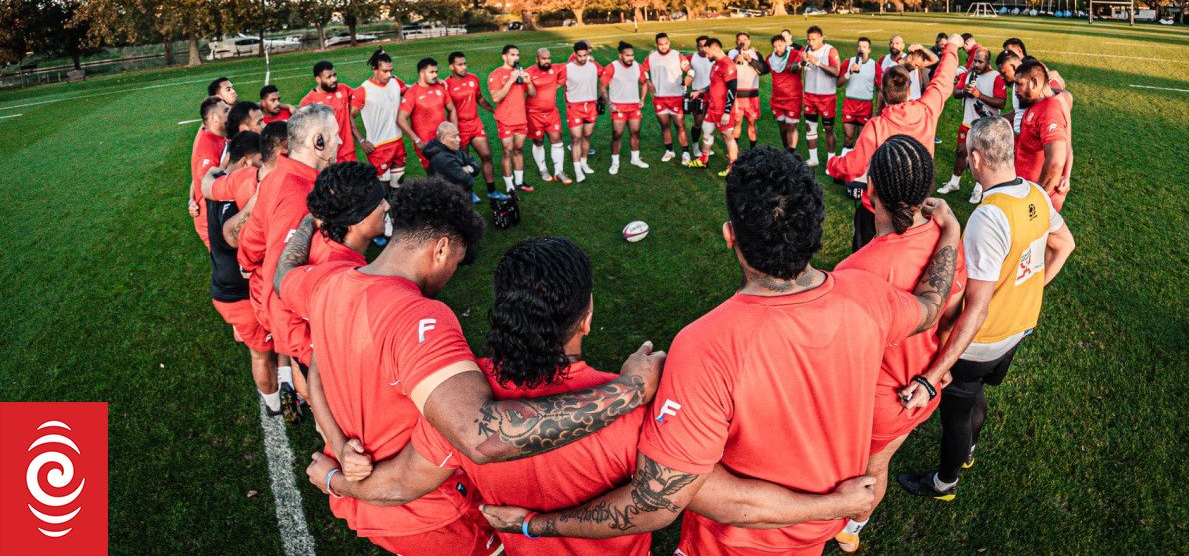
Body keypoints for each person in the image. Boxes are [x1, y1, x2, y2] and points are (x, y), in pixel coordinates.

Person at [479, 146, 963, 556]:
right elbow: (929, 305)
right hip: (812, 540)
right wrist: (952, 235)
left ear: (731, 235)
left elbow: (657, 499)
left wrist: (535, 525)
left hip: (730, 547)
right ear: (814, 228)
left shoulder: (704, 347)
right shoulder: (868, 295)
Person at [306, 235, 878, 556]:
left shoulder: (456, 409)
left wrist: (334, 478)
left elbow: (399, 484)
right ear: (586, 318)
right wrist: (832, 506)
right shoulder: (633, 413)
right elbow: (695, 501)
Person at [272, 178, 665, 556]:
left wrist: (337, 457)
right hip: (434, 515)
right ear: (442, 248)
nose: (450, 275)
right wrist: (630, 391)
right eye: (457, 263)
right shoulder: (421, 320)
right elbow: (479, 436)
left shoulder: (325, 285)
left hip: (375, 499)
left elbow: (285, 283)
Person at [898, 116, 1075, 502]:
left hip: (981, 341)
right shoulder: (1035, 193)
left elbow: (974, 308)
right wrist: (1031, 287)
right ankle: (969, 451)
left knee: (956, 412)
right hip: (1019, 329)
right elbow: (1065, 245)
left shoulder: (988, 216)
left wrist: (933, 374)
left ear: (976, 158)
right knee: (974, 393)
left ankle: (944, 483)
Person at [830, 136, 968, 552]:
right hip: (922, 389)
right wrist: (936, 373)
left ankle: (847, 527)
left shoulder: (853, 274)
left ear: (870, 189)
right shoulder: (947, 242)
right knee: (880, 463)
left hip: (877, 405)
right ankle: (853, 530)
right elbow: (951, 317)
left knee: (858, 471)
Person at [237, 104, 342, 422]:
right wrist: (308, 350)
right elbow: (280, 285)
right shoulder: (300, 196)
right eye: (335, 136)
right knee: (326, 399)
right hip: (304, 321)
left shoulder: (276, 177)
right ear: (318, 142)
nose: (340, 142)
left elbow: (251, 238)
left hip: (297, 311)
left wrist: (245, 264)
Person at [828, 35, 962, 251]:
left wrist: (833, 164)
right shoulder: (926, 110)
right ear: (909, 91)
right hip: (915, 210)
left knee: (865, 260)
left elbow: (852, 166)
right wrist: (952, 46)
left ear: (883, 93)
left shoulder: (876, 126)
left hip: (876, 213)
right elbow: (943, 79)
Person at [203, 131, 281, 414]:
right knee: (262, 354)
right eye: (260, 161)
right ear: (247, 161)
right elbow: (233, 236)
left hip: (227, 288)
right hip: (240, 295)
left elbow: (207, 180)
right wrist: (257, 200)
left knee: (271, 345)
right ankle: (274, 405)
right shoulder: (235, 194)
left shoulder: (218, 180)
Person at [939, 46, 1006, 204]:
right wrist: (965, 92)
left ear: (988, 62)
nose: (976, 64)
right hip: (967, 123)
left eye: (980, 62)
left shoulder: (996, 77)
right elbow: (956, 93)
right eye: (974, 61)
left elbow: (1002, 103)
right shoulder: (970, 74)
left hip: (986, 126)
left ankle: (978, 190)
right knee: (960, 152)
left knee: (982, 158)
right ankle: (954, 183)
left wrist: (979, 95)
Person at [1012, 60, 1073, 211]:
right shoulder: (1046, 99)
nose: (1015, 90)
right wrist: (1066, 175)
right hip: (1027, 191)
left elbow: (1056, 161)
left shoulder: (1049, 112)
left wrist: (1038, 196)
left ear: (1034, 82)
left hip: (1036, 200)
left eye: (1019, 84)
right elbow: (1067, 145)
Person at [305, 161, 390, 268]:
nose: (387, 207)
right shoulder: (343, 271)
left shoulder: (325, 241)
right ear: (357, 217)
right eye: (380, 203)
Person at [444, 51, 504, 199]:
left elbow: (480, 98)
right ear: (451, 66)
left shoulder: (473, 78)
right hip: (459, 128)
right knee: (463, 163)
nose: (464, 67)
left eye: (465, 64)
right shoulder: (446, 84)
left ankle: (492, 191)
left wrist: (493, 110)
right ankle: (468, 192)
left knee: (487, 155)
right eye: (460, 65)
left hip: (475, 124)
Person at [351, 50, 410, 194]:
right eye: (385, 71)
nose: (389, 75)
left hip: (397, 141)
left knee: (398, 185)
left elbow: (412, 92)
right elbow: (350, 116)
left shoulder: (395, 82)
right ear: (374, 69)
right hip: (378, 147)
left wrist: (432, 83)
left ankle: (397, 209)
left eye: (391, 70)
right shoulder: (363, 90)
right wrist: (361, 140)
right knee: (383, 189)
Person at [684, 37, 739, 175]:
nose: (706, 55)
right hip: (713, 108)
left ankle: (733, 167)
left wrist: (727, 112)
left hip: (723, 110)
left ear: (715, 49)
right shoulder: (715, 64)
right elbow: (714, 84)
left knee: (727, 136)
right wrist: (700, 91)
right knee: (707, 130)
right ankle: (704, 160)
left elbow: (732, 89)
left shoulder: (728, 65)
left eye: (707, 52)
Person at [488, 45, 537, 193]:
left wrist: (528, 82)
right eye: (512, 55)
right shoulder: (495, 75)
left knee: (519, 150)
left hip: (521, 119)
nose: (516, 58)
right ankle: (509, 187)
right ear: (504, 57)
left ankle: (519, 182)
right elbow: (496, 98)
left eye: (517, 55)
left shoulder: (521, 73)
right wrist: (510, 80)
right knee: (507, 152)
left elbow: (532, 94)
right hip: (506, 120)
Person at [599, 41, 651, 175]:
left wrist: (642, 99)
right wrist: (609, 104)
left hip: (634, 106)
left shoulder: (638, 67)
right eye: (627, 56)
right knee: (617, 135)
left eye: (632, 55)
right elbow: (602, 88)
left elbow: (644, 83)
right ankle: (615, 162)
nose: (630, 58)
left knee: (636, 132)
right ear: (620, 55)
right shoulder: (611, 67)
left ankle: (635, 159)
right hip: (618, 107)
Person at [399, 57, 457, 171]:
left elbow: (452, 109)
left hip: (444, 140)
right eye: (431, 72)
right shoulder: (412, 93)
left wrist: (454, 132)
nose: (435, 75)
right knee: (435, 175)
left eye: (436, 72)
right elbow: (401, 119)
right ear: (421, 73)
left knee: (451, 172)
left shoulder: (441, 88)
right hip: (426, 144)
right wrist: (417, 141)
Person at [644, 32, 694, 162]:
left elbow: (690, 69)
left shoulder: (677, 56)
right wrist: (648, 81)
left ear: (669, 43)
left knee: (680, 126)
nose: (664, 46)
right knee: (664, 126)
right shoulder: (651, 58)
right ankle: (669, 151)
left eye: (666, 43)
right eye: (661, 44)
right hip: (659, 98)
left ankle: (685, 153)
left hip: (676, 97)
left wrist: (689, 76)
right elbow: (643, 70)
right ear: (656, 45)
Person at [524, 48, 571, 183]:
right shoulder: (528, 72)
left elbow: (570, 65)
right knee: (538, 141)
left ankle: (559, 172)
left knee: (557, 140)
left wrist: (588, 58)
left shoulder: (555, 69)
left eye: (549, 58)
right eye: (544, 59)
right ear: (536, 59)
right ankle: (543, 169)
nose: (547, 61)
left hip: (551, 113)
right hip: (534, 114)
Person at [301, 60, 362, 163]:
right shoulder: (308, 102)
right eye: (329, 77)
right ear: (318, 79)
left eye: (334, 75)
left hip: (348, 152)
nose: (334, 79)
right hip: (327, 158)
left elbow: (360, 95)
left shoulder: (343, 89)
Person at [189, 96, 229, 249]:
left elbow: (195, 177)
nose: (229, 113)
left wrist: (190, 199)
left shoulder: (213, 132)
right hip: (212, 223)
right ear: (213, 118)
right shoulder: (207, 148)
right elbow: (207, 184)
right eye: (225, 111)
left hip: (218, 217)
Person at [800, 25, 841, 168]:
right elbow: (793, 67)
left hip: (827, 97)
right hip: (810, 96)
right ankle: (813, 159)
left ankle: (831, 161)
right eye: (808, 39)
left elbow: (836, 72)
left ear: (821, 38)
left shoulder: (830, 50)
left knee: (828, 129)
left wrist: (817, 63)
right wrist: (800, 63)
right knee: (810, 127)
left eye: (813, 39)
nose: (810, 42)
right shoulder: (805, 50)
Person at [563, 41, 605, 181]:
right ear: (575, 54)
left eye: (584, 55)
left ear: (588, 53)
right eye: (579, 56)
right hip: (574, 107)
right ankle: (577, 171)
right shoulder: (567, 68)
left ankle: (584, 163)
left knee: (587, 136)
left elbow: (606, 74)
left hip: (591, 106)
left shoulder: (593, 65)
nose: (582, 58)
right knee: (576, 139)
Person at [837, 37, 882, 155]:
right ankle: (845, 161)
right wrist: (849, 72)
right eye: (859, 46)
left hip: (865, 105)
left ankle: (859, 163)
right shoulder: (848, 62)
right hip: (849, 104)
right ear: (856, 48)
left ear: (869, 50)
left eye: (864, 47)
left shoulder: (875, 66)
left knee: (861, 139)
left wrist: (877, 110)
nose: (861, 49)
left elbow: (879, 89)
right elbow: (839, 84)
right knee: (848, 138)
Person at [726, 31, 768, 150]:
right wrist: (733, 61)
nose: (742, 42)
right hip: (736, 94)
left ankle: (753, 149)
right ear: (736, 42)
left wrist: (751, 61)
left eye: (745, 39)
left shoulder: (755, 53)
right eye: (739, 40)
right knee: (737, 121)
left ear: (749, 42)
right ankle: (734, 149)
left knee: (751, 122)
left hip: (751, 94)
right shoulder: (730, 53)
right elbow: (723, 71)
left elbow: (765, 70)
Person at [767, 34, 805, 152]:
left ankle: (791, 155)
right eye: (774, 47)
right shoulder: (770, 58)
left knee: (791, 126)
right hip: (777, 99)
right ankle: (786, 151)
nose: (777, 49)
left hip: (793, 98)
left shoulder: (795, 54)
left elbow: (795, 67)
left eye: (780, 45)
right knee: (783, 127)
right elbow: (762, 69)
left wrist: (801, 63)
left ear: (785, 44)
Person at [423, 122, 481, 197]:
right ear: (443, 139)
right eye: (454, 137)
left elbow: (475, 164)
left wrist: (469, 168)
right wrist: (468, 169)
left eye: (458, 135)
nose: (459, 139)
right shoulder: (442, 159)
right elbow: (468, 181)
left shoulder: (453, 149)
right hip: (450, 199)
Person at [684, 36, 712, 162]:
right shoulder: (691, 58)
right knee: (698, 122)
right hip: (698, 95)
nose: (704, 48)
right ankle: (695, 147)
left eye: (706, 45)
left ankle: (708, 147)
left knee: (711, 122)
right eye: (701, 46)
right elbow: (676, 61)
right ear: (697, 47)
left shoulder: (714, 57)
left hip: (713, 94)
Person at [876, 35, 921, 108]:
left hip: (908, 103)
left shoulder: (911, 60)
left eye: (897, 43)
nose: (893, 46)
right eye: (891, 43)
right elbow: (880, 86)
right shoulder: (883, 60)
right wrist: (878, 108)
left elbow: (918, 80)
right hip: (889, 104)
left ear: (903, 45)